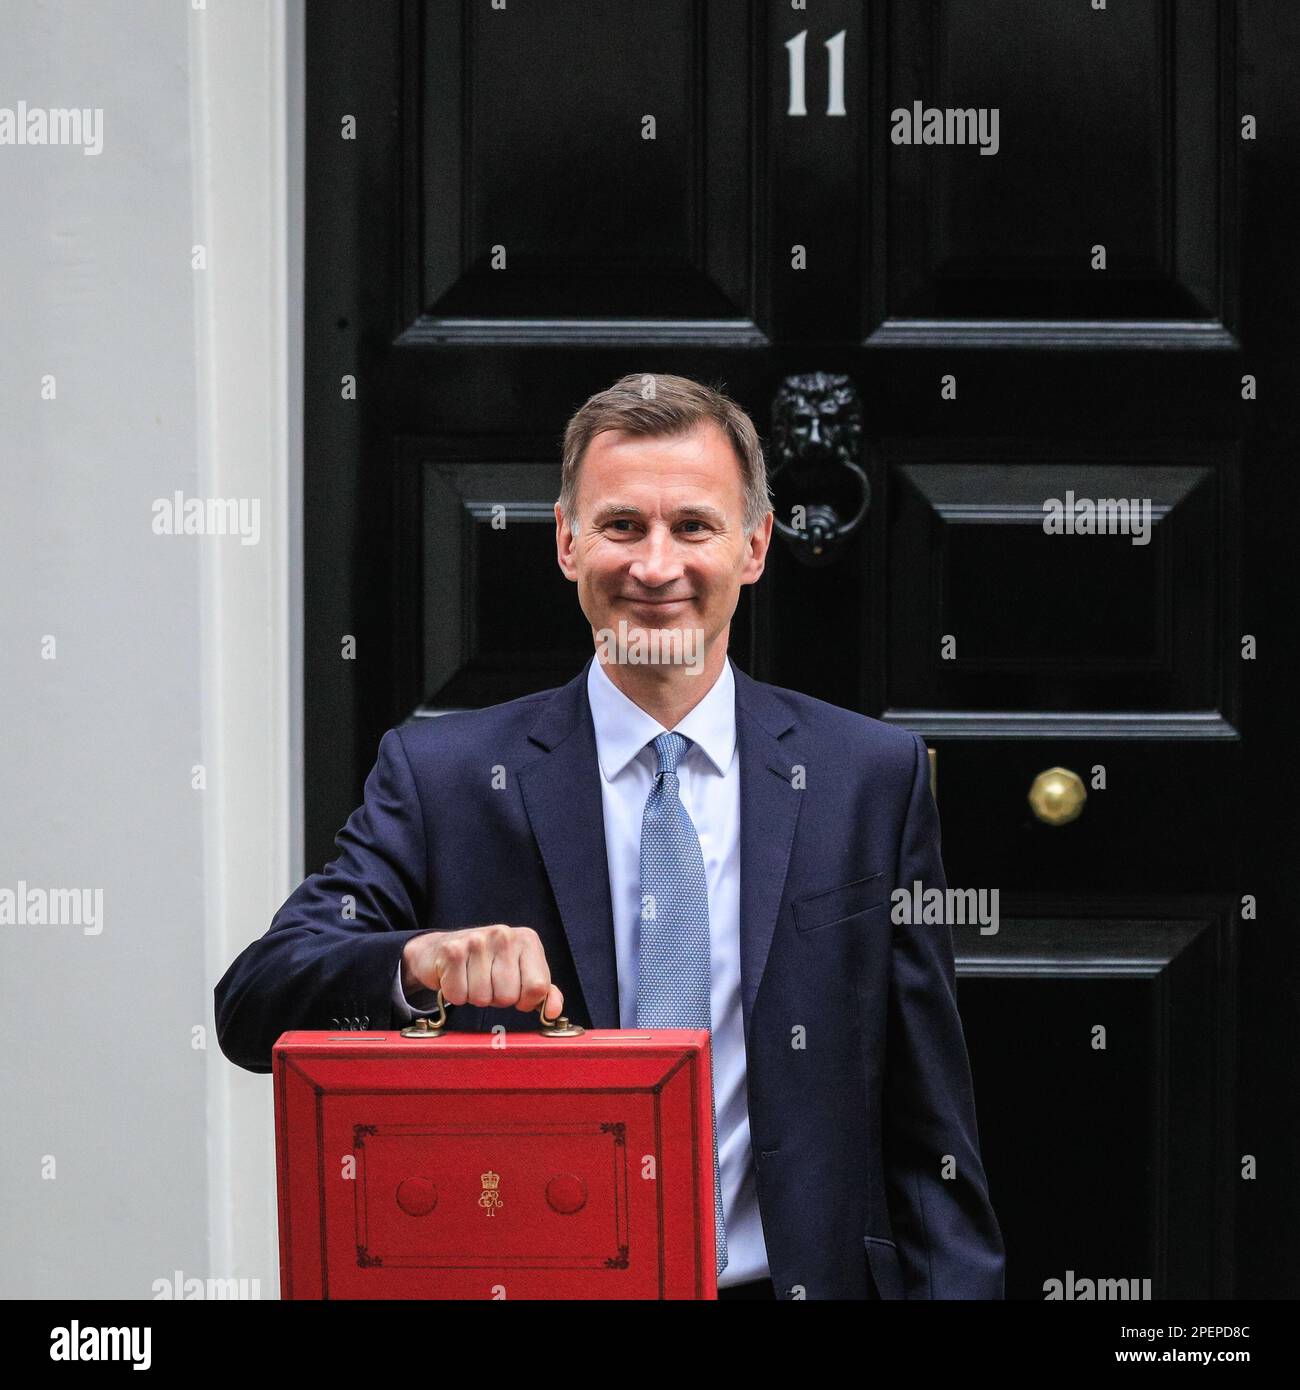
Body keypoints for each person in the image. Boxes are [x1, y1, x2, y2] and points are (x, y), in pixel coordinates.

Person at [214, 372, 1005, 1300]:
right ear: (566, 542)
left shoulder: (869, 776)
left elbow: (929, 1127)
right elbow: (252, 1002)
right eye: (623, 525)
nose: (657, 565)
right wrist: (418, 962)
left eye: (695, 527)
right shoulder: (443, 778)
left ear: (754, 546)